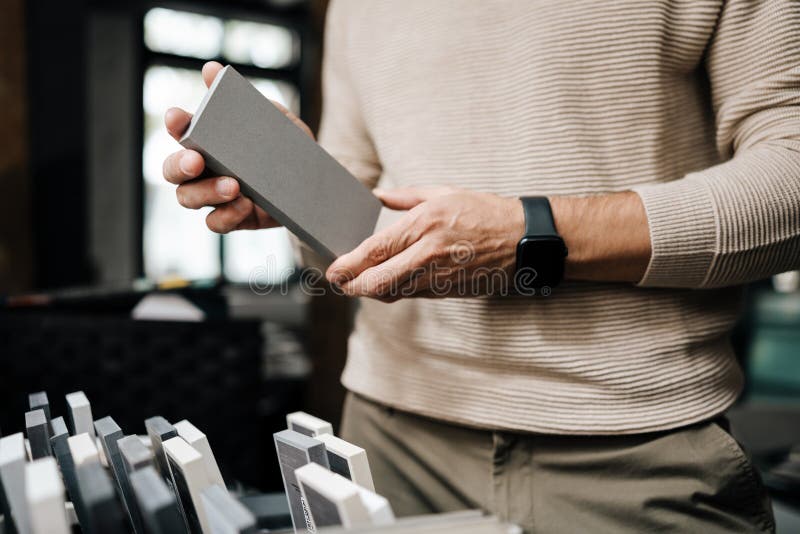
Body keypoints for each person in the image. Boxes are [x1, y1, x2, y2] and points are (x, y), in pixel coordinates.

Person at [163, 1, 800, 531]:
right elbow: (350, 242)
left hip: (631, 448)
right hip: (389, 436)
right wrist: (295, 198)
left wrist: (531, 234)